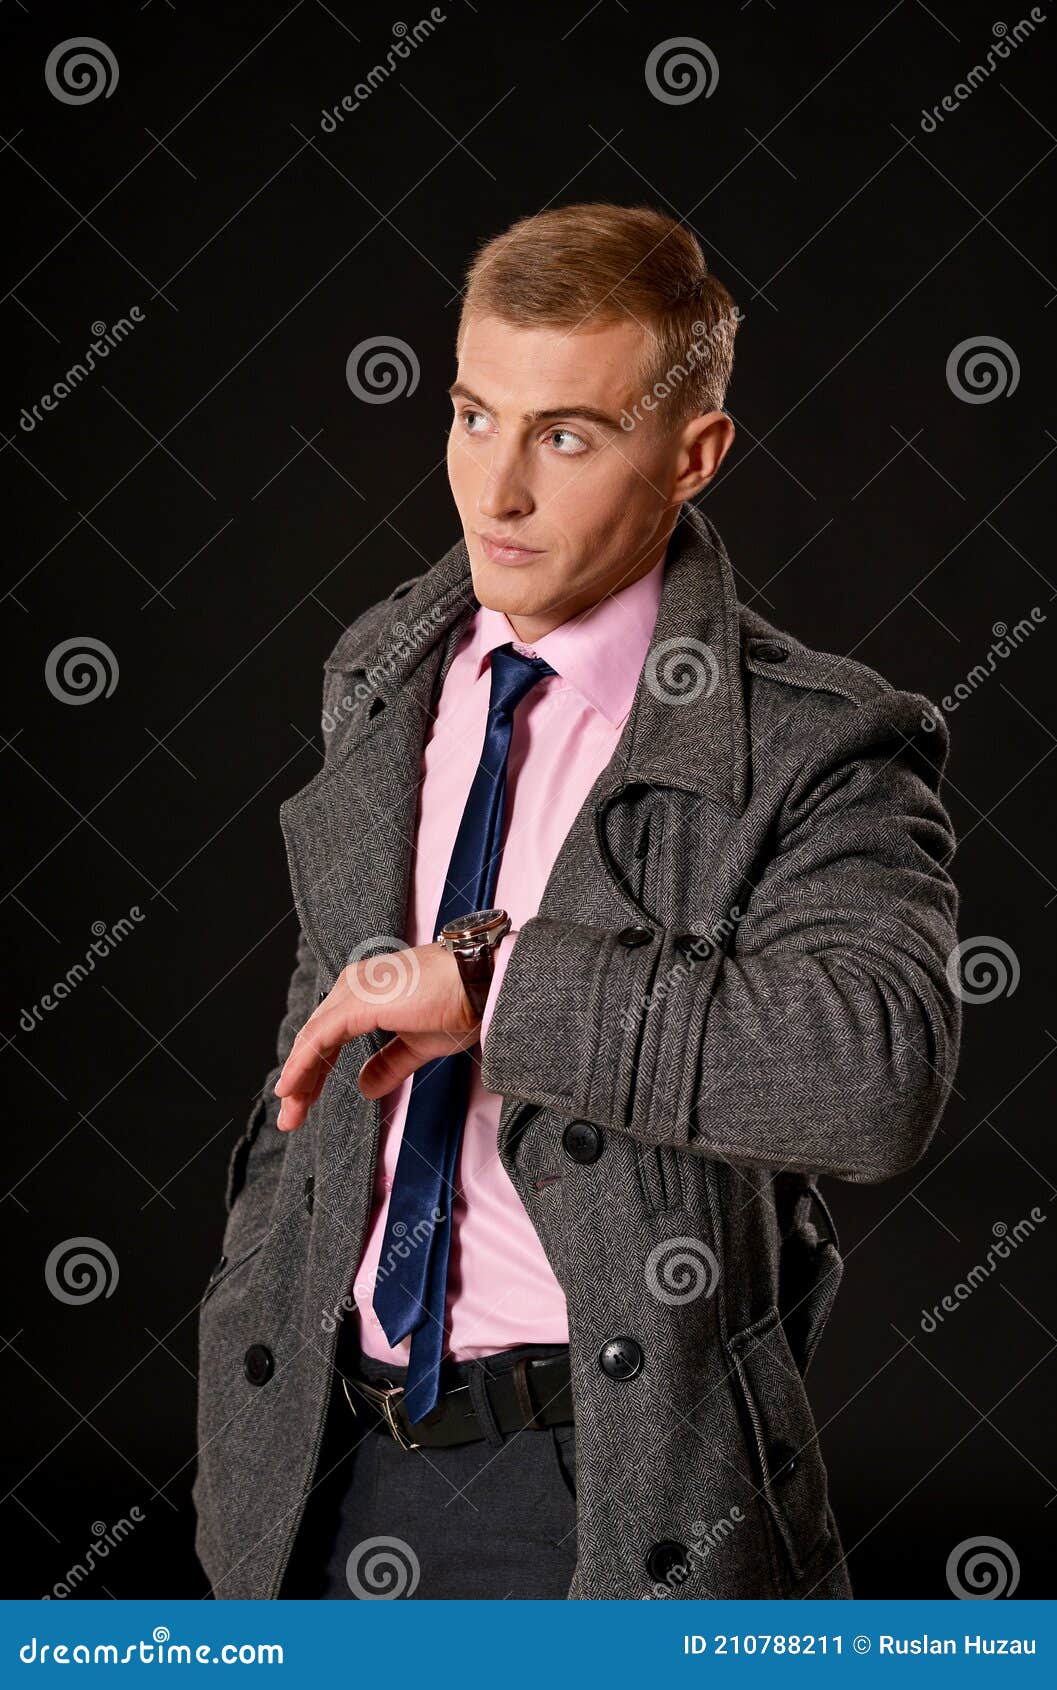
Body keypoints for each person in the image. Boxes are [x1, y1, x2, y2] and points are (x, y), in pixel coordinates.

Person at [192, 201, 961, 1602]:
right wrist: (250, 1340)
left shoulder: (813, 739)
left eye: (564, 435)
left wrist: (493, 986)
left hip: (597, 1491)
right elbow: (308, 1078)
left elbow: (873, 1069)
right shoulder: (382, 668)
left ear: (692, 455)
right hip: (313, 1473)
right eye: (474, 417)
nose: (495, 494)